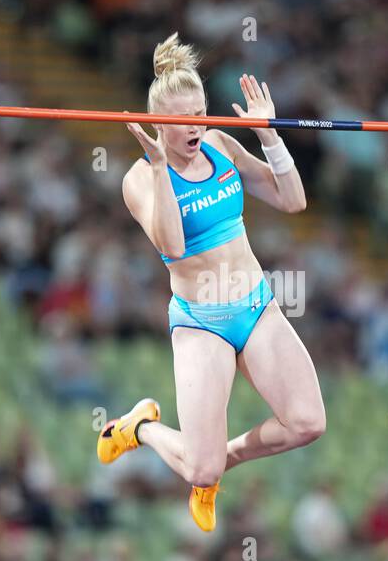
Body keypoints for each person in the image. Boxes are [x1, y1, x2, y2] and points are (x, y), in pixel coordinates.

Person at [95, 33, 326, 532]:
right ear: (159, 123)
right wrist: (161, 169)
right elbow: (173, 246)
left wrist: (269, 135)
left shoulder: (220, 144)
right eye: (182, 120)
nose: (195, 125)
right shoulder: (138, 179)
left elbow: (292, 200)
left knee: (307, 423)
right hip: (203, 323)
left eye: (200, 112)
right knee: (198, 469)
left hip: (256, 307)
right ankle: (142, 427)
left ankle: (222, 462)